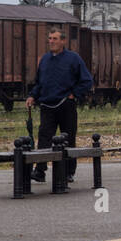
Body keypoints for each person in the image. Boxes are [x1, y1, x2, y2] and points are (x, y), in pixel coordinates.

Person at [26, 27, 93, 183]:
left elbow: (87, 81)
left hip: (66, 105)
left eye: (55, 39)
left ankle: (68, 172)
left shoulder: (73, 59)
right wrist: (32, 96)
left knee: (67, 139)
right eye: (49, 38)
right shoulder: (44, 60)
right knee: (44, 138)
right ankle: (40, 171)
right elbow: (39, 83)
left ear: (63, 41)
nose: (51, 42)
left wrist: (74, 94)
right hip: (47, 106)